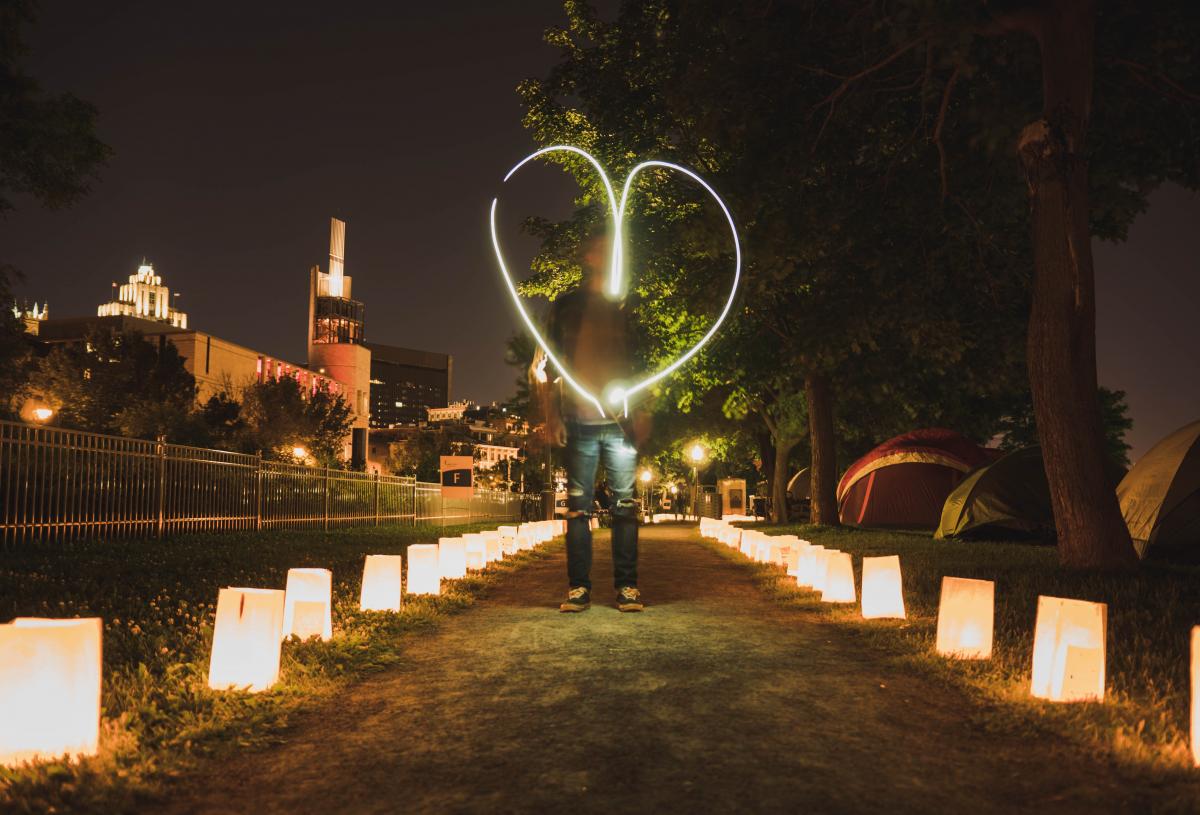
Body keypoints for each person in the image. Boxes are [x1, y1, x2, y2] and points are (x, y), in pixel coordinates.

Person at [538, 224, 647, 613]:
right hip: (579, 420)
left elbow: (643, 362)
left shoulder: (627, 306)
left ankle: (627, 586)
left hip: (620, 422)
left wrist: (645, 410)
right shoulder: (567, 306)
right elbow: (549, 366)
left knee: (625, 507)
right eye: (601, 249)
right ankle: (579, 587)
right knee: (578, 509)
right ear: (588, 256)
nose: (608, 255)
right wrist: (552, 414)